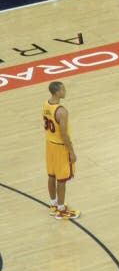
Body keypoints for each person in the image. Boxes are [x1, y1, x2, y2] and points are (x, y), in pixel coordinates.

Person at [43, 81, 80, 220]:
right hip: (59, 146)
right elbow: (64, 134)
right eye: (63, 89)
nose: (65, 91)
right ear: (57, 92)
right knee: (62, 179)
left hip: (49, 145)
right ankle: (61, 210)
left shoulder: (46, 104)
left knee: (51, 176)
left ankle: (53, 205)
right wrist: (71, 151)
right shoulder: (61, 111)